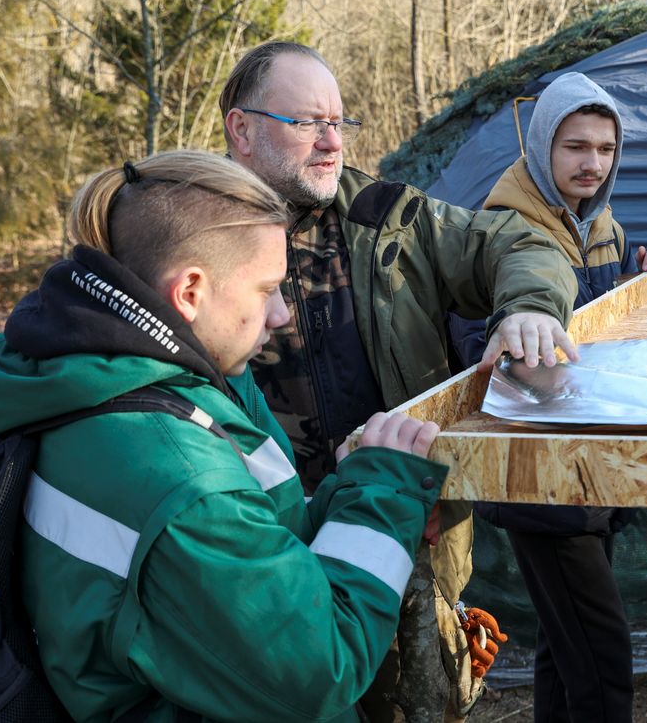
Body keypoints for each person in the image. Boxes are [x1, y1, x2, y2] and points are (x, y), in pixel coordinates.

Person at [0, 151, 446, 722]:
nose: (281, 315)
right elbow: (321, 669)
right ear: (191, 291)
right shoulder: (182, 478)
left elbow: (258, 543)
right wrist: (384, 494)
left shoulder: (90, 371)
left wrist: (348, 496)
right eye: (267, 288)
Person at [219, 42, 579, 717]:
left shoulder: (388, 217)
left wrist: (529, 306)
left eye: (339, 122)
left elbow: (519, 243)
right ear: (241, 130)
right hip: (260, 547)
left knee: (421, 702)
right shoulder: (196, 231)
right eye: (306, 123)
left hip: (405, 531)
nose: (331, 142)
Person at [450, 72, 647, 722]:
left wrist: (646, 278)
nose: (591, 163)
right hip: (539, 480)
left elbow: (595, 331)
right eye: (574, 147)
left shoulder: (601, 224)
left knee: (565, 646)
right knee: (603, 664)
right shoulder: (502, 226)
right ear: (541, 149)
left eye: (604, 149)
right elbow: (486, 353)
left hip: (590, 465)